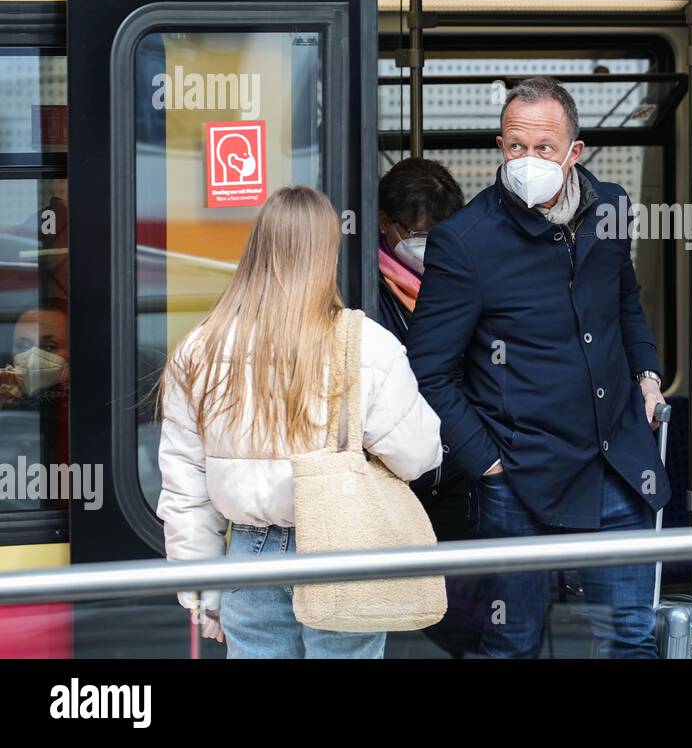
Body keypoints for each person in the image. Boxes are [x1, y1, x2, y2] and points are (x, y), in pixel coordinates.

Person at [408, 75, 669, 659]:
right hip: (519, 482)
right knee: (512, 644)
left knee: (630, 638)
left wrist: (646, 376)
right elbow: (428, 371)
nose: (528, 160)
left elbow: (626, 301)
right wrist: (488, 462)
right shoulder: (465, 242)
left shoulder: (612, 209)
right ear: (501, 146)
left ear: (574, 152)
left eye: (544, 148)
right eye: (516, 146)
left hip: (618, 466)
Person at [156, 186, 442, 658]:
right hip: (343, 549)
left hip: (248, 556)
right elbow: (418, 456)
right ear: (327, 252)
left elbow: (186, 489)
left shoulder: (199, 349)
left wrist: (202, 592)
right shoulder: (364, 344)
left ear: (257, 248)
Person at [375, 155, 487, 657]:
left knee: (464, 615)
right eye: (414, 231)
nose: (426, 244)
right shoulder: (365, 290)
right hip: (394, 485)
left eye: (438, 232)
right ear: (384, 223)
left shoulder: (466, 282)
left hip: (461, 478)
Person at [377, 157, 465, 338]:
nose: (433, 243)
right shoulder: (367, 287)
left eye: (442, 235)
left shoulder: (463, 276)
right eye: (420, 235)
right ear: (385, 222)